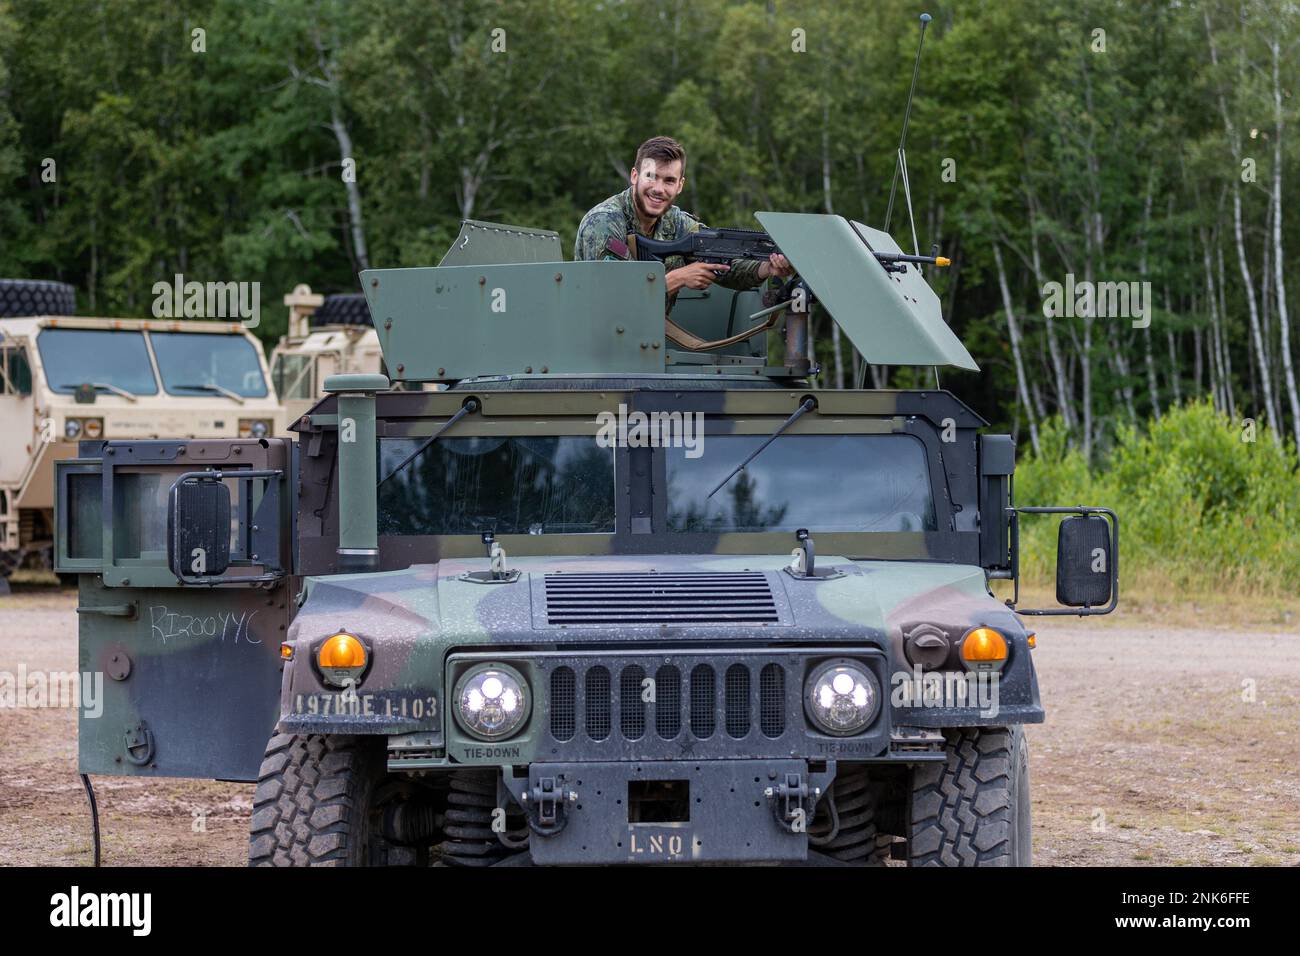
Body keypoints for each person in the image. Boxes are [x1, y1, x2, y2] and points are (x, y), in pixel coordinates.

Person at [574, 136, 792, 315]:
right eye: (651, 177)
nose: (658, 189)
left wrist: (767, 267)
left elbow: (726, 263)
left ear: (680, 185)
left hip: (645, 343)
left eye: (669, 180)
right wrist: (678, 278)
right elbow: (610, 300)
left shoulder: (676, 221)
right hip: (597, 349)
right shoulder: (604, 222)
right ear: (634, 176)